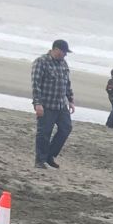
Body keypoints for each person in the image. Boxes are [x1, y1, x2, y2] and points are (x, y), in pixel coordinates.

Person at [31, 37, 75, 168]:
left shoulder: (64, 64)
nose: (65, 55)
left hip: (61, 105)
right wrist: (38, 104)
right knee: (44, 133)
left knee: (66, 128)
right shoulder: (41, 62)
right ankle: (40, 160)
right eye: (64, 52)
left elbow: (67, 83)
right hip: (46, 105)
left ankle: (50, 155)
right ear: (56, 50)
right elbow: (36, 84)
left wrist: (71, 100)